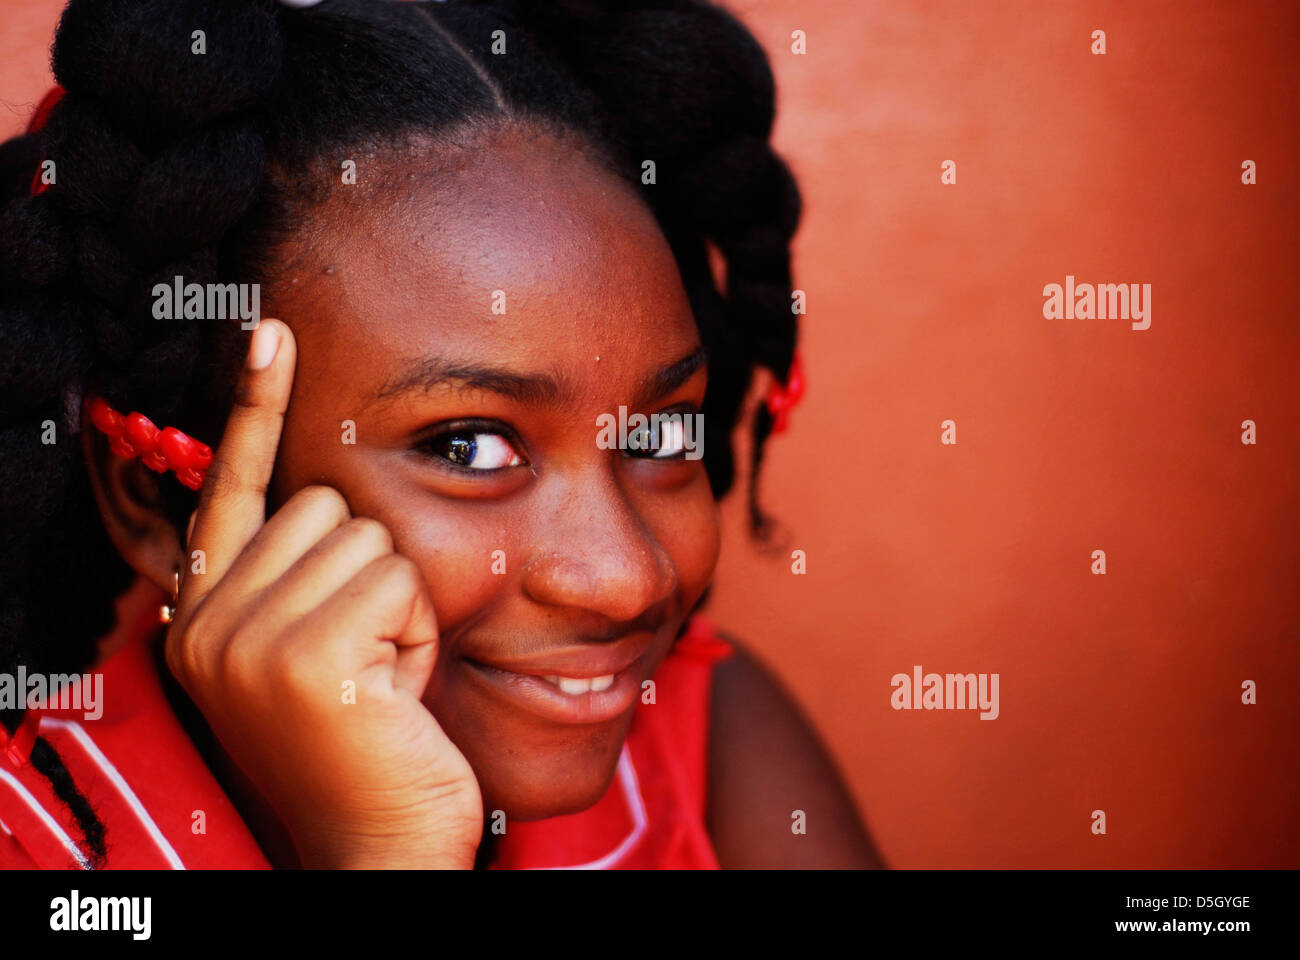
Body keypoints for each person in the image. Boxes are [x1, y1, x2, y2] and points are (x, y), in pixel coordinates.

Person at [0, 0, 881, 869]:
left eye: (658, 435)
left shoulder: (705, 740)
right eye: (469, 448)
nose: (626, 579)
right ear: (156, 501)